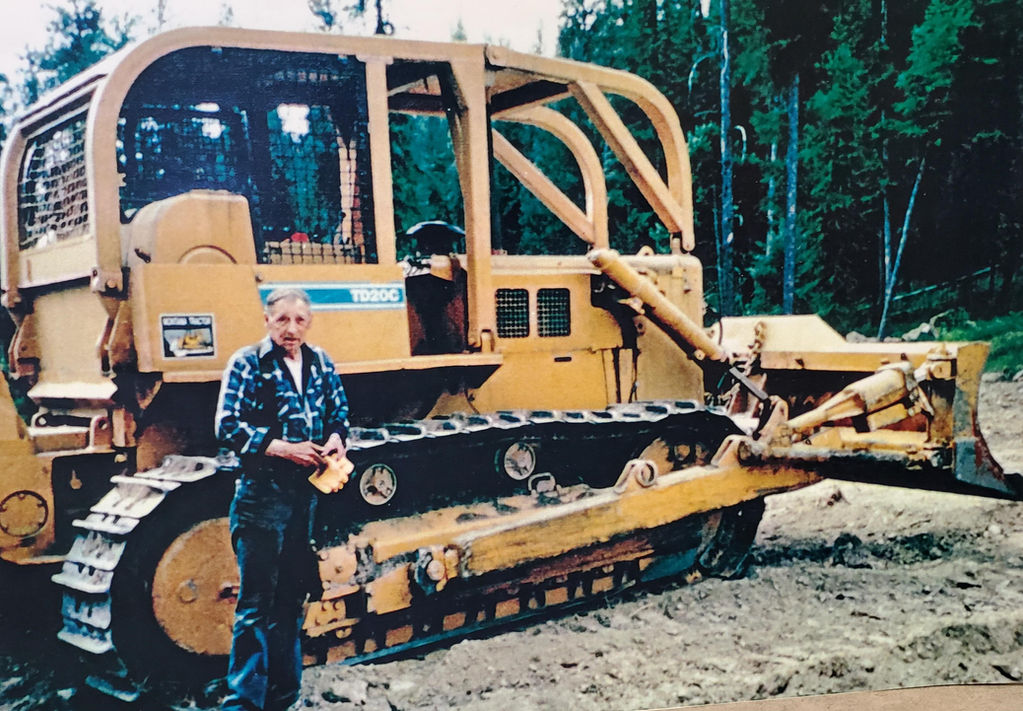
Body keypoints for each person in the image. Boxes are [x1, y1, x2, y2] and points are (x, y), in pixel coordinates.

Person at [215, 287, 349, 711]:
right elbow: (226, 426)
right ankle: (243, 703)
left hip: (302, 498)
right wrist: (281, 447)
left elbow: (340, 415)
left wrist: (335, 440)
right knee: (256, 603)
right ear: (267, 321)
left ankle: (283, 698)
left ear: (308, 324)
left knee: (290, 599)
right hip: (260, 497)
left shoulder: (321, 362)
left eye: (299, 320)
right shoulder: (247, 363)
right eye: (282, 320)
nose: (291, 329)